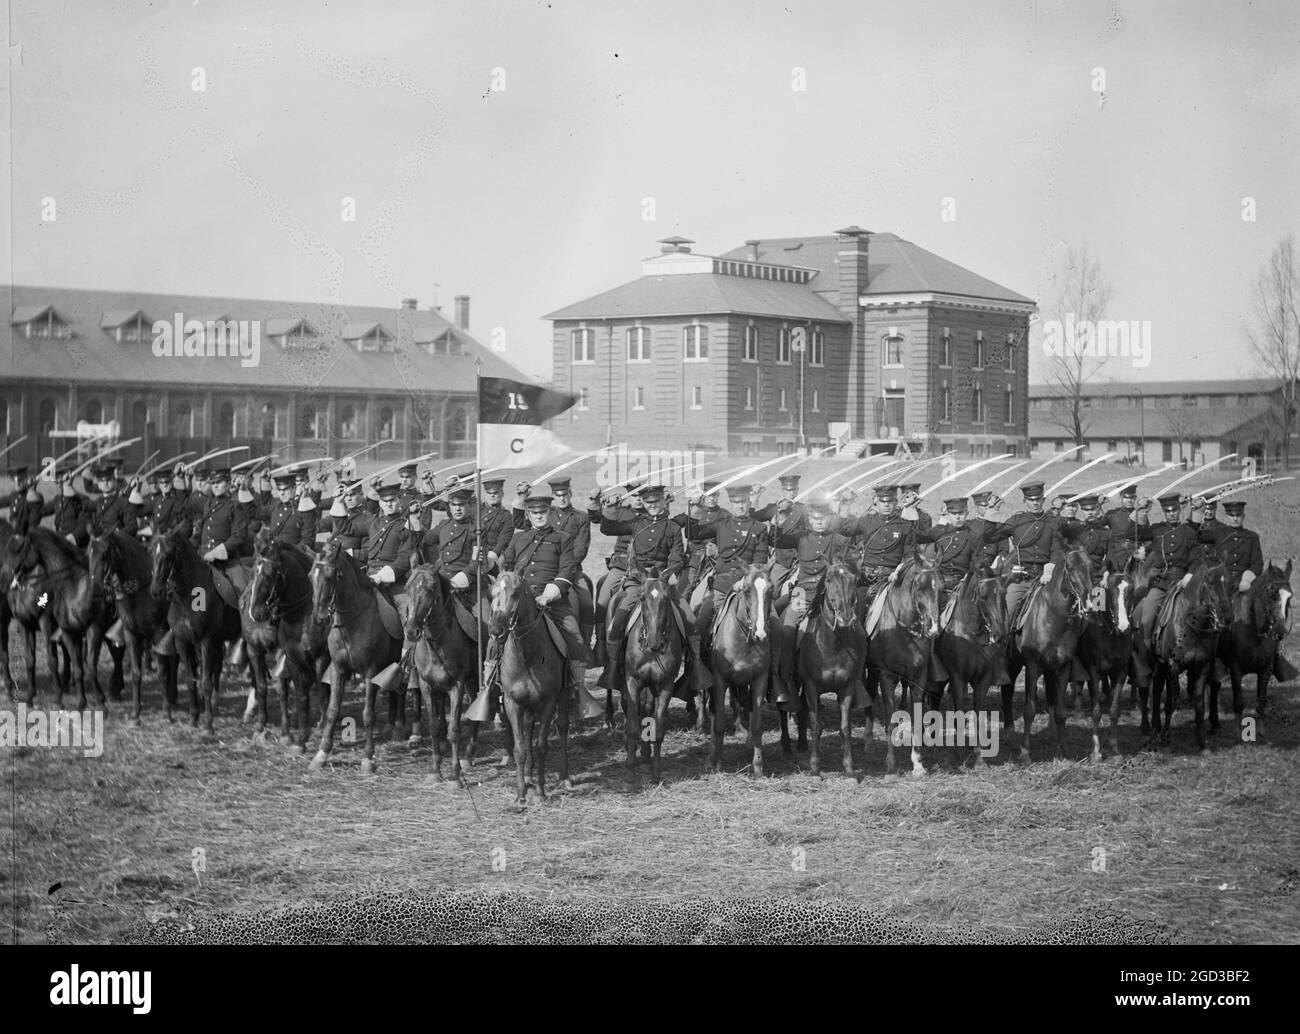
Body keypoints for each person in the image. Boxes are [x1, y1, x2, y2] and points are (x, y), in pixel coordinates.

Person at [482, 493, 602, 720]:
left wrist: (551, 593)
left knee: (574, 637)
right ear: (528, 515)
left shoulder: (562, 538)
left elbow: (567, 568)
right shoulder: (519, 539)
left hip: (551, 600)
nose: (539, 516)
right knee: (493, 640)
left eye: (543, 512)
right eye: (534, 513)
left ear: (550, 513)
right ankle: (491, 690)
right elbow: (506, 567)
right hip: (519, 600)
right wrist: (490, 568)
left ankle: (577, 690)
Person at [591, 485, 706, 696]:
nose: (653, 506)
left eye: (657, 502)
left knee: (688, 617)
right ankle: (613, 666)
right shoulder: (636, 524)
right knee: (620, 613)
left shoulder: (672, 527)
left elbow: (677, 557)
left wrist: (666, 574)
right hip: (637, 581)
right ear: (644, 504)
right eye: (649, 503)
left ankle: (696, 667)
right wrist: (609, 508)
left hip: (662, 582)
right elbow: (607, 528)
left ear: (664, 502)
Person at [770, 495, 852, 700]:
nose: (820, 522)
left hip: (829, 593)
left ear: (829, 519)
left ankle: (855, 679)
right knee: (788, 629)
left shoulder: (840, 540)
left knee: (856, 631)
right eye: (815, 519)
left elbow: (847, 566)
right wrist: (779, 517)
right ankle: (785, 681)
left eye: (823, 518)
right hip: (802, 592)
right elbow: (777, 539)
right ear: (809, 520)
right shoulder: (800, 538)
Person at [979, 481, 1068, 625]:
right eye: (1031, 500)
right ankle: (1005, 646)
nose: (1035, 503)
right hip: (1021, 579)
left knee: (1063, 615)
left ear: (1043, 500)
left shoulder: (1052, 522)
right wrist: (991, 511)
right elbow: (990, 537)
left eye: (1038, 499)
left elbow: (1056, 549)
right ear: (1024, 501)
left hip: (1046, 578)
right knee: (1006, 615)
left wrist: (1050, 569)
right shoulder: (1016, 521)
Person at [836, 484, 916, 617]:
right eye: (882, 502)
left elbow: (909, 555)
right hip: (866, 578)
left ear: (896, 502)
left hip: (891, 578)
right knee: (852, 608)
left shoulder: (905, 525)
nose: (886, 505)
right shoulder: (867, 521)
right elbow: (844, 529)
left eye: (890, 501)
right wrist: (845, 504)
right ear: (876, 503)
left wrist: (898, 571)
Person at [1130, 493, 1198, 645]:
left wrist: (1189, 575)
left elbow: (1197, 559)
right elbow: (1131, 533)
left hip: (1183, 584)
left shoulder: (1189, 532)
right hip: (1161, 584)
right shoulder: (1157, 530)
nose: (1171, 513)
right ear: (1164, 512)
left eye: (1174, 510)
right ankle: (1146, 655)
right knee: (1146, 619)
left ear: (1179, 509)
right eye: (1167, 511)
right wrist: (1140, 510)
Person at [192, 467, 250, 593]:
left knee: (242, 591)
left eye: (219, 482)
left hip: (227, 562)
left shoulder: (235, 506)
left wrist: (216, 553)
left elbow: (239, 535)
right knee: (194, 591)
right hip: (204, 558)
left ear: (228, 484)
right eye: (213, 483)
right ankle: (198, 610)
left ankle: (243, 612)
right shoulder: (208, 504)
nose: (215, 486)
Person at [1189, 498, 1263, 593]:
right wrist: (1196, 512)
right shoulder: (1218, 533)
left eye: (1238, 515)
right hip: (1222, 582)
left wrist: (1247, 579)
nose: (1235, 518)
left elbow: (1257, 563)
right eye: (1232, 515)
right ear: (1226, 517)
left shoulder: (1252, 537)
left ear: (1243, 516)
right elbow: (1197, 536)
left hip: (1244, 583)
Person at [751, 473, 806, 590]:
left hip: (800, 557)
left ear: (798, 490)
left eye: (794, 490)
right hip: (782, 559)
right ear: (783, 490)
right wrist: (755, 498)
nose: (791, 493)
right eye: (788, 490)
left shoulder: (803, 509)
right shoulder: (774, 508)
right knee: (772, 588)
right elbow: (752, 519)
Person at [86, 463, 139, 538]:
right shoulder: (97, 502)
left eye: (108, 480)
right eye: (101, 481)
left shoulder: (123, 503)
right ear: (98, 485)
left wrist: (116, 535)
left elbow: (132, 526)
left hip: (116, 542)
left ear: (114, 481)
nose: (105, 483)